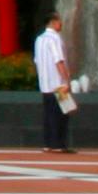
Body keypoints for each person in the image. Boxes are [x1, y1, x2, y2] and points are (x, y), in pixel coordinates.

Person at [35, 17, 72, 153]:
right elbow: (59, 61)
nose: (61, 23)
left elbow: (37, 61)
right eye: (59, 21)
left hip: (45, 83)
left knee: (48, 114)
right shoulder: (55, 38)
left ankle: (48, 143)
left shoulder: (39, 39)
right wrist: (66, 80)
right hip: (58, 84)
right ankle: (59, 144)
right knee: (62, 114)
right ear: (54, 22)